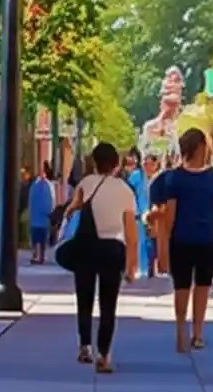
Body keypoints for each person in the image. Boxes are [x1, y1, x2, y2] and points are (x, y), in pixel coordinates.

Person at [65, 142, 138, 373]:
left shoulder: (86, 183)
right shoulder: (126, 191)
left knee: (84, 297)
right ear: (116, 164)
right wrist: (132, 265)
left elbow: (73, 208)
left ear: (94, 162)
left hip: (86, 246)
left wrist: (69, 212)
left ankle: (84, 346)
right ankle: (104, 355)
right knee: (108, 304)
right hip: (112, 249)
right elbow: (131, 233)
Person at [164, 128, 213, 352]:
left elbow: (170, 214)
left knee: (181, 286)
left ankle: (181, 328)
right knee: (202, 287)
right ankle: (197, 333)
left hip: (180, 239)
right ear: (201, 147)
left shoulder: (174, 177)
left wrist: (166, 241)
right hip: (206, 239)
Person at [29, 162, 56, 265]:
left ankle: (39, 255)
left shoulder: (44, 185)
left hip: (41, 215)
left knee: (40, 236)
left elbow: (52, 199)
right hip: (39, 215)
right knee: (38, 236)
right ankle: (37, 255)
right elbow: (52, 199)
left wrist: (51, 211)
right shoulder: (38, 185)